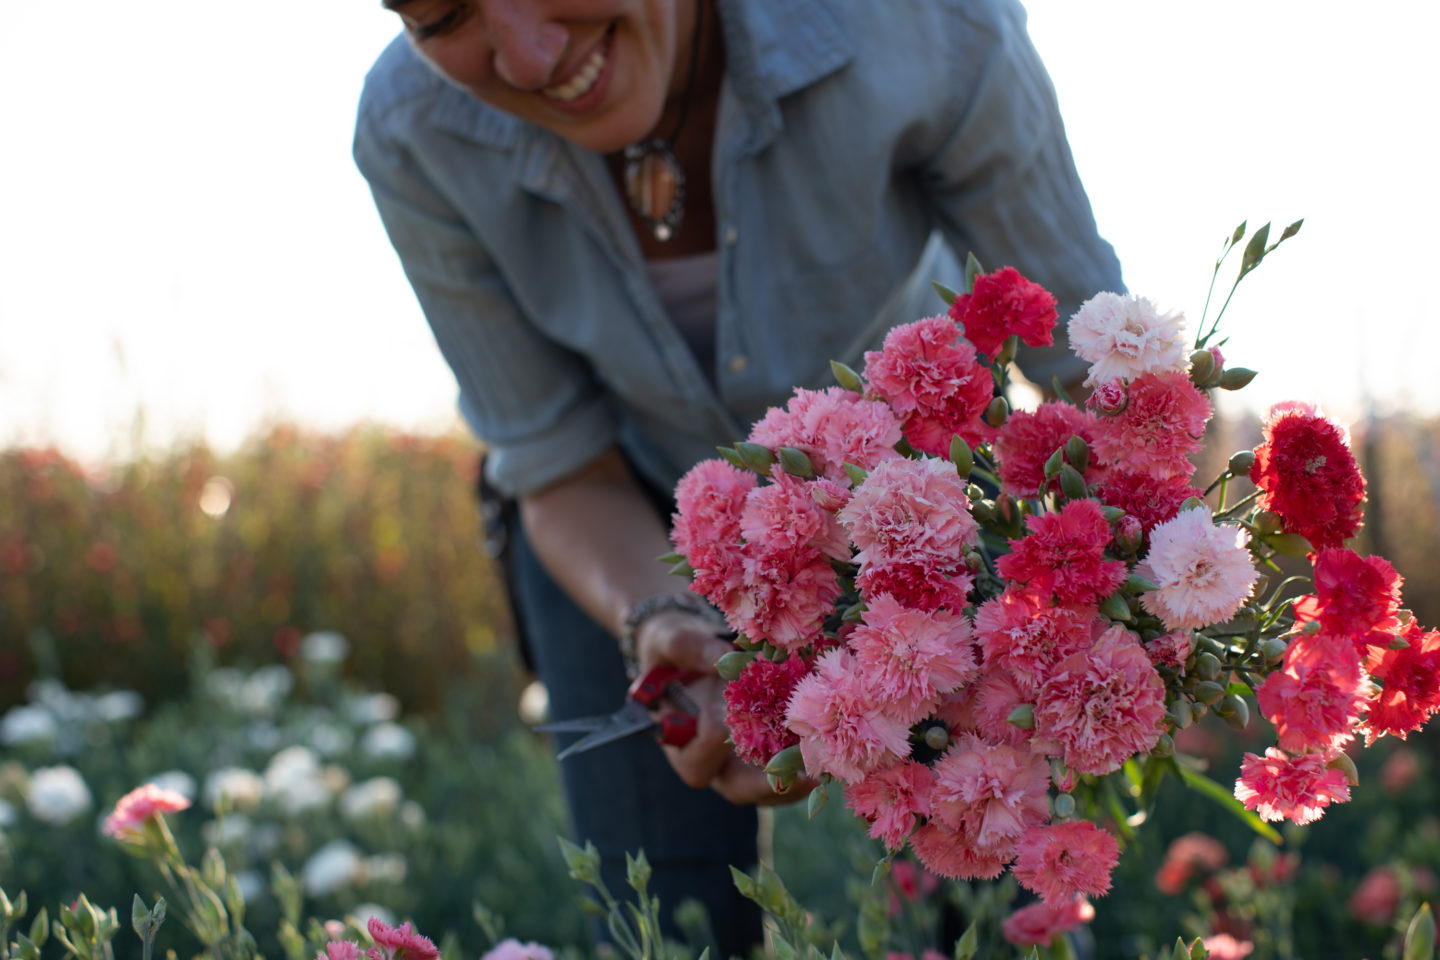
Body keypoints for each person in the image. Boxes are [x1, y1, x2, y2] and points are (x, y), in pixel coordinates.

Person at [353, 0, 1123, 952]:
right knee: (666, 924)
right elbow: (557, 466)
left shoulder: (922, 21)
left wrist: (1083, 612)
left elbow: (1097, 369)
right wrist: (661, 619)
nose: (532, 54)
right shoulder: (410, 128)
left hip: (922, 527)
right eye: (442, 15)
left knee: (1000, 913)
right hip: (625, 535)